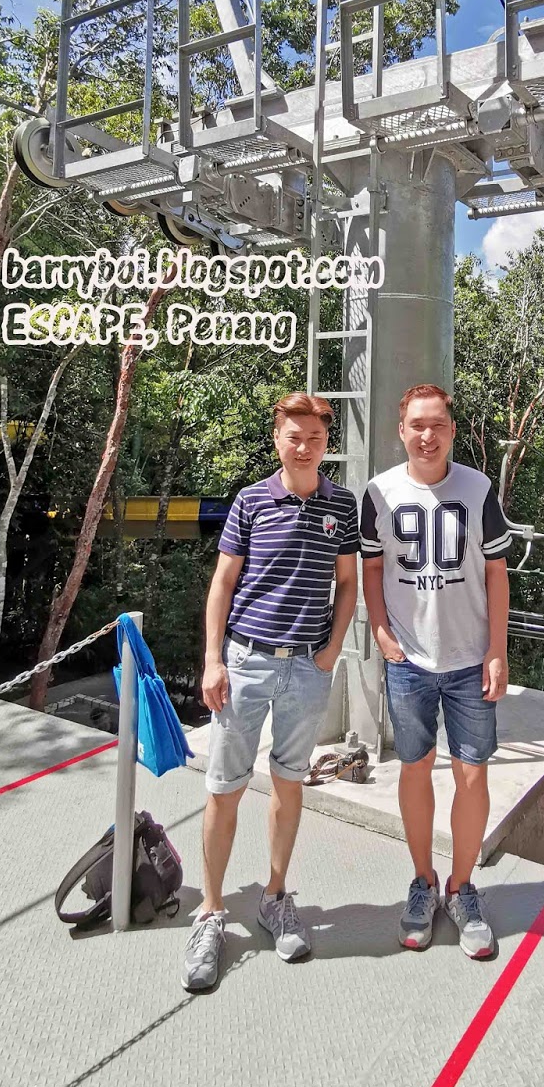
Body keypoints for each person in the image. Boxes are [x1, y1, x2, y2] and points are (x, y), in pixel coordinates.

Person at [181, 393, 359, 993]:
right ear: (277, 438)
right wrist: (212, 660)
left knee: (288, 781)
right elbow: (222, 583)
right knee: (224, 787)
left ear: (325, 441)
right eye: (293, 435)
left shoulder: (341, 505)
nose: (304, 445)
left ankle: (275, 896)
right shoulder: (251, 501)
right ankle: (210, 912)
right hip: (246, 664)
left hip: (306, 669)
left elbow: (347, 586)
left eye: (313, 436)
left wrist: (331, 651)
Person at [360, 383, 512, 961]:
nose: (427, 435)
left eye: (438, 425)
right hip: (411, 661)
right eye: (416, 425)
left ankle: (462, 887)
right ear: (401, 430)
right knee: (414, 769)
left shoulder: (478, 489)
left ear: (452, 429)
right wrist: (380, 630)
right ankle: (422, 883)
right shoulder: (379, 492)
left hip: (470, 658)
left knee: (472, 774)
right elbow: (371, 568)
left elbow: (497, 574)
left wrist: (496, 650)